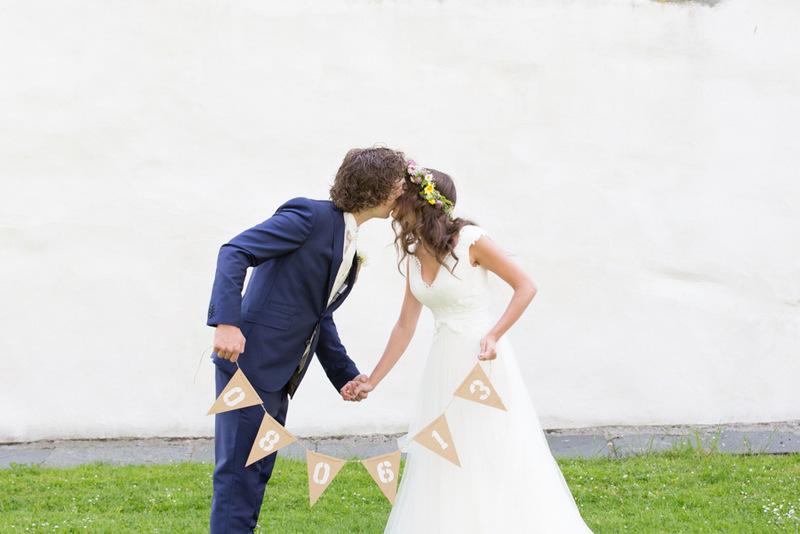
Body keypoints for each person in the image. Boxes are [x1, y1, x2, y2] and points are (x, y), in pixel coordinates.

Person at [349, 161, 594, 532]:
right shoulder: (415, 251)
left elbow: (526, 286)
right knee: (445, 456)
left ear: (425, 201)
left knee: (489, 451)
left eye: (402, 197)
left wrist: (494, 334)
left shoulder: (472, 241)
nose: (395, 204)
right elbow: (405, 325)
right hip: (443, 363)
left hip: (483, 362)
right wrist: (373, 380)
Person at [206, 146, 406, 533]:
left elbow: (318, 315)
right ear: (378, 187)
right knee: (237, 478)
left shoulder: (347, 238)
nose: (403, 192)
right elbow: (234, 251)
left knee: (255, 474)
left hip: (279, 375)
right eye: (399, 184)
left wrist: (345, 374)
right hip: (249, 367)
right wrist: (226, 323)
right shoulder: (309, 216)